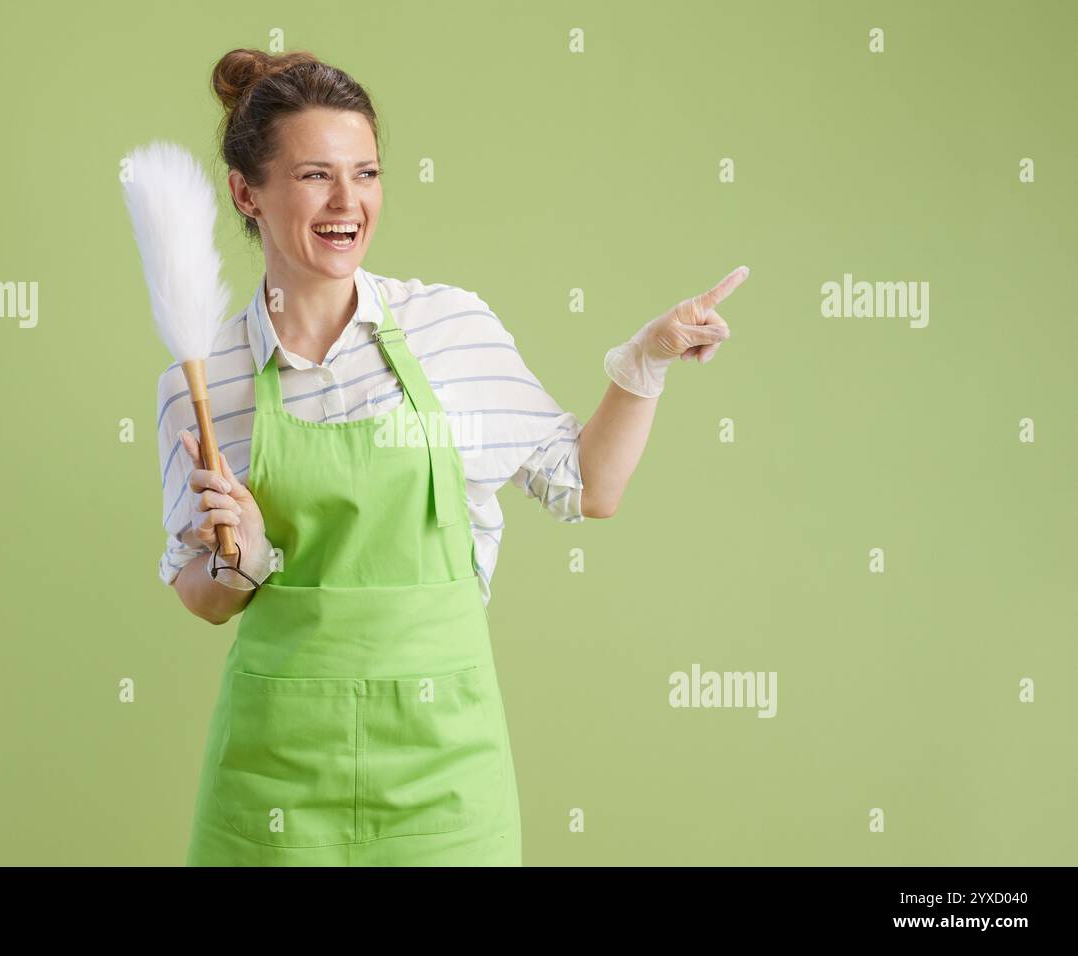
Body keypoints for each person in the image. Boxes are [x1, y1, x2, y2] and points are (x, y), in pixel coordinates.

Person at [156, 48, 749, 866]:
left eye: (365, 174)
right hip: (273, 784)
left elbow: (589, 485)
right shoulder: (204, 380)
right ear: (245, 193)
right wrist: (242, 561)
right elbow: (201, 590)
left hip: (442, 775)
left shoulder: (449, 328)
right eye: (315, 176)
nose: (347, 202)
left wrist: (642, 362)